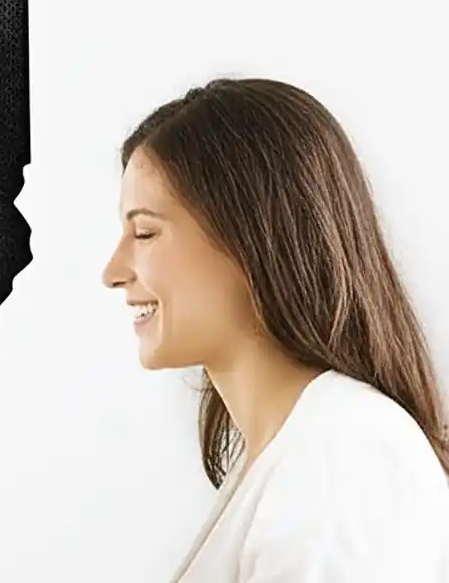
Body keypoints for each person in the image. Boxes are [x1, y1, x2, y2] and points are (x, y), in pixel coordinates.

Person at [101, 78, 449, 581]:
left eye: (146, 233)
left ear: (251, 240)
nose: (113, 271)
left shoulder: (343, 454)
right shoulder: (295, 457)